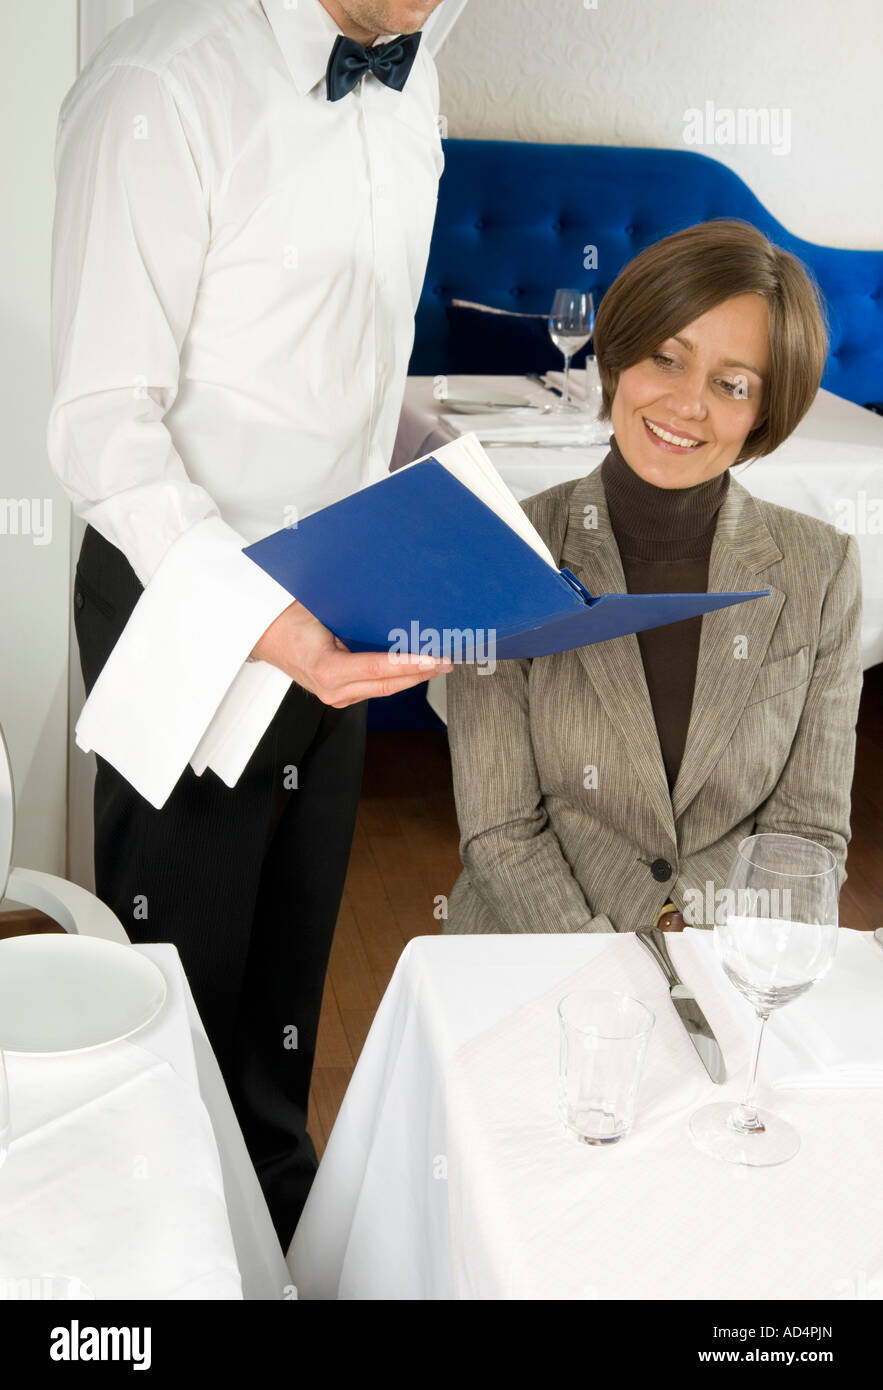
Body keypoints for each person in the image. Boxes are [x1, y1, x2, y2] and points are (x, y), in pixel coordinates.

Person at [48, 0, 450, 1248]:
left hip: (341, 593)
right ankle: (159, 1257)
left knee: (288, 967)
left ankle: (275, 1234)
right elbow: (101, 433)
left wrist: (434, 493)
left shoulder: (422, 70)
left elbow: (355, 368)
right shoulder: (161, 86)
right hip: (189, 611)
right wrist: (267, 624)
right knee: (185, 981)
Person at [443, 220, 863, 937]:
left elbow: (808, 835)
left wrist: (721, 973)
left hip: (732, 959)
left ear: (763, 411)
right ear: (618, 357)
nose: (686, 404)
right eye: (665, 359)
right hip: (535, 948)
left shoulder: (821, 568)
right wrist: (612, 971)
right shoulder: (503, 548)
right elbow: (500, 829)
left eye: (731, 384)